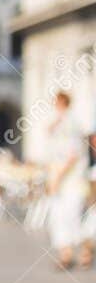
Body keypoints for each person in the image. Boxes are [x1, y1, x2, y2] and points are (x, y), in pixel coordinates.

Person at [46, 92, 93, 271]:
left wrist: (58, 177)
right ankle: (66, 255)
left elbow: (73, 155)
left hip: (71, 181)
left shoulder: (72, 123)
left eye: (56, 102)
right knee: (58, 218)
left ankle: (86, 253)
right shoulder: (59, 122)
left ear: (62, 103)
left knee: (73, 217)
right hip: (59, 181)